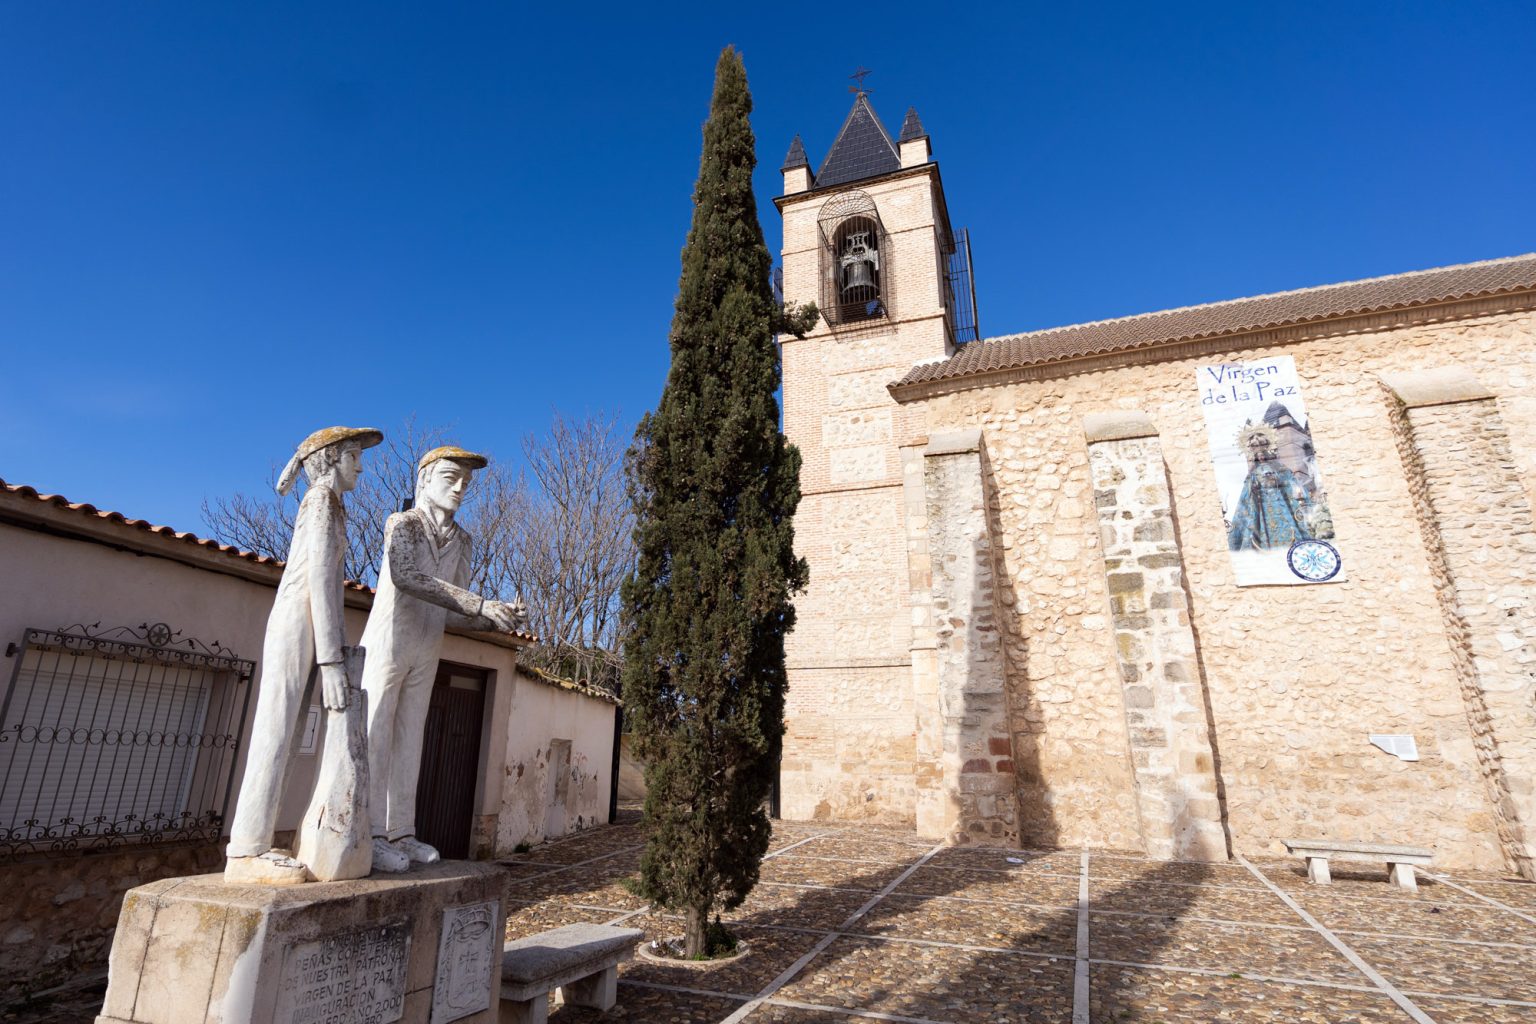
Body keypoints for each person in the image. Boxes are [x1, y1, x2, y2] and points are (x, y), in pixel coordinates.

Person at [225, 425, 382, 885]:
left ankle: (260, 844)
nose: (360, 465)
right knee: (275, 730)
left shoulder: (331, 505)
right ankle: (246, 850)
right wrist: (332, 661)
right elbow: (318, 581)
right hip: (298, 621)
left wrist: (330, 652)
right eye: (353, 456)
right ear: (331, 459)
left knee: (290, 733)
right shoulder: (319, 501)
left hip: (311, 627)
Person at [361, 445, 527, 871]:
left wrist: (497, 620)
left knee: (411, 738)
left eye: (465, 484)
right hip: (390, 641)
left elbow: (456, 613)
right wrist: (478, 603)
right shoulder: (403, 525)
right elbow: (406, 577)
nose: (459, 489)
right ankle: (366, 832)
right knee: (375, 733)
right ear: (424, 481)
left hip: (427, 646)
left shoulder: (462, 540)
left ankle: (400, 831)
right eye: (450, 478)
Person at [1226, 424, 1316, 552]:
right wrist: (1254, 488)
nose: (1261, 456)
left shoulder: (1280, 468)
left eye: (1263, 452)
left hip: (1281, 503)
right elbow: (1246, 496)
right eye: (1258, 454)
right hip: (1262, 507)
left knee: (1290, 528)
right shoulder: (1253, 474)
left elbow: (1292, 484)